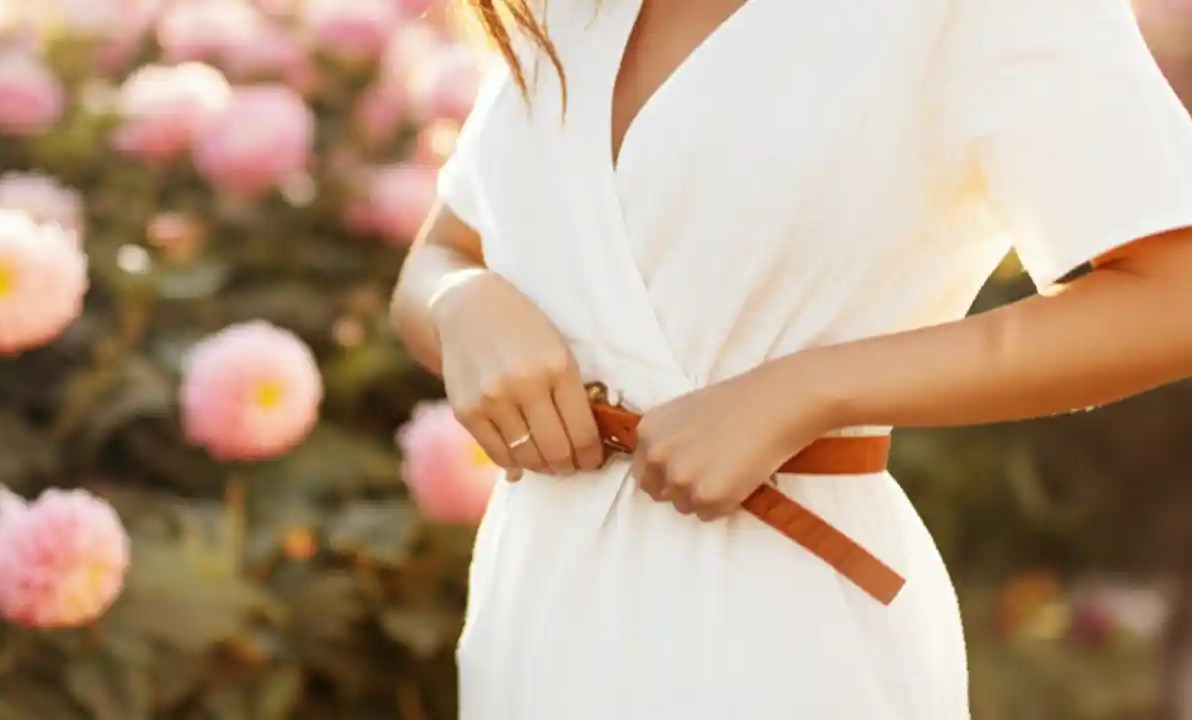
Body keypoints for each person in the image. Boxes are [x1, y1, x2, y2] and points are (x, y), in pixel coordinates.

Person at [388, 0, 1192, 717]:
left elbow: (1172, 296)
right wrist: (459, 302)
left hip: (782, 626)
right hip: (537, 607)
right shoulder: (565, 10)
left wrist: (812, 389)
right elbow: (447, 248)